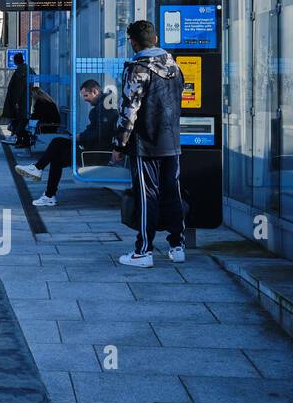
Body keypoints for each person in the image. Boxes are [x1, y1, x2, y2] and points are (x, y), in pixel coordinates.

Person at [112, 20, 185, 269]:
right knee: (172, 193)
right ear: (154, 39)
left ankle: (143, 251)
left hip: (146, 143)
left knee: (147, 196)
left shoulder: (138, 68)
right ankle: (177, 246)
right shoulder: (175, 66)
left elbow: (129, 110)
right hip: (172, 141)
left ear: (133, 42)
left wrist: (119, 145)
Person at [16, 79, 118, 205]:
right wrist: (81, 136)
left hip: (95, 153)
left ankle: (45, 186)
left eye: (86, 96)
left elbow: (100, 133)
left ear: (95, 92)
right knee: (57, 144)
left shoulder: (104, 108)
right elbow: (96, 131)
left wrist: (81, 137)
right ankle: (40, 176)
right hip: (91, 148)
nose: (85, 99)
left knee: (57, 153)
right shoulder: (102, 106)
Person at [4, 52, 30, 144]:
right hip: (22, 100)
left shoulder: (20, 71)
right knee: (19, 119)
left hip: (19, 101)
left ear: (16, 60)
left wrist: (16, 102)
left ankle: (16, 137)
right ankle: (18, 139)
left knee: (18, 119)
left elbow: (19, 88)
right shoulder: (25, 69)